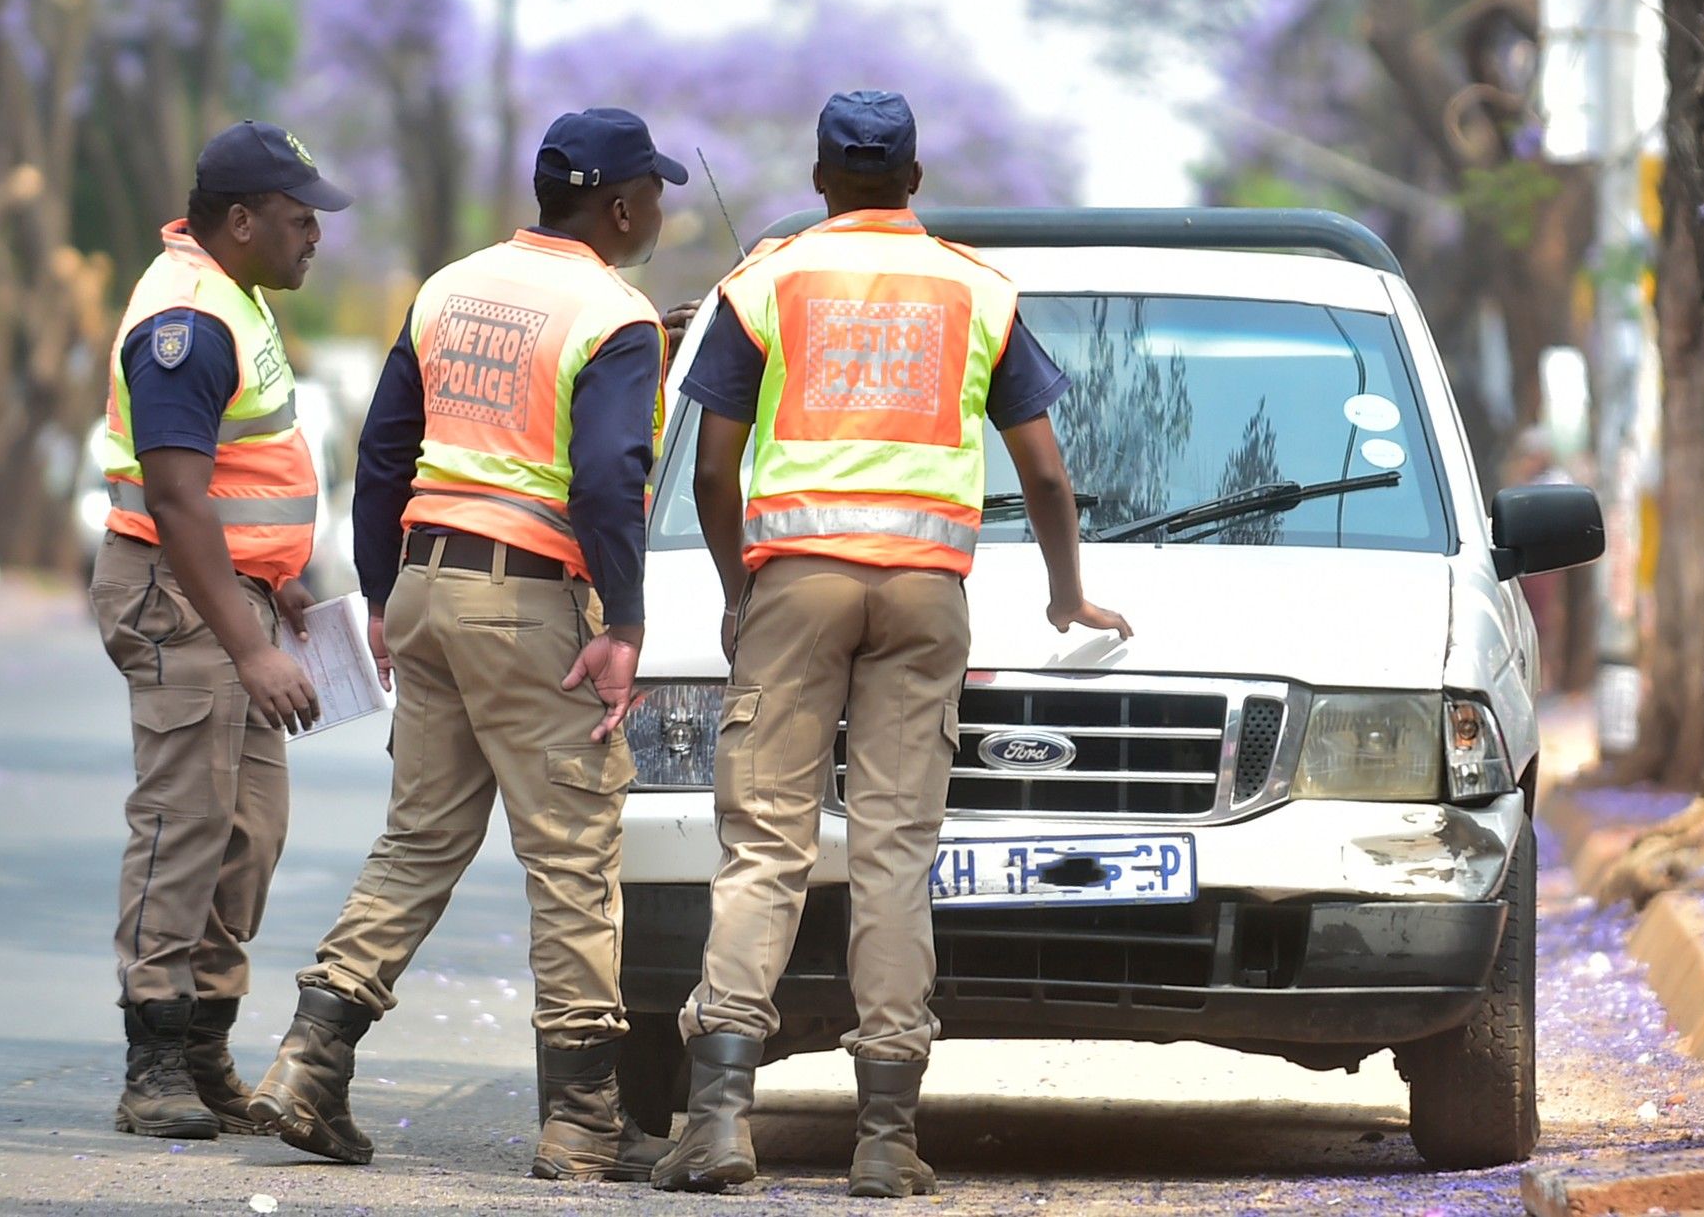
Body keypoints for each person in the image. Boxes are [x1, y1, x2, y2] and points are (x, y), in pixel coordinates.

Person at [652, 90, 1132, 1199]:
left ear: (819, 180)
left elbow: (715, 470)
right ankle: (884, 1138)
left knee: (765, 848)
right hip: (925, 597)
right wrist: (1067, 593)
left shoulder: (764, 282)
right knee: (891, 858)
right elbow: (1047, 473)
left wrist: (741, 592)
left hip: (796, 586)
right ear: (914, 180)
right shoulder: (977, 288)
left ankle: (719, 1121)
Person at [249, 107, 683, 1183]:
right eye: (653, 195)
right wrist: (624, 623)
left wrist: (390, 598)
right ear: (620, 205)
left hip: (433, 587)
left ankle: (308, 1060)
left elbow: (386, 446)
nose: (661, 211)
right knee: (574, 857)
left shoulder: (452, 285)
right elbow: (601, 476)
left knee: (418, 841)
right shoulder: (613, 312)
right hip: (530, 600)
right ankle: (582, 1123)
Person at [89, 120, 351, 1141]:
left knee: (248, 833)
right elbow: (175, 495)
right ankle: (151, 1057)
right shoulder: (186, 317)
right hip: (182, 596)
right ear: (238, 220)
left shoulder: (234, 297)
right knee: (183, 822)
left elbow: (243, 480)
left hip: (237, 593)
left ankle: (202, 1046)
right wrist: (246, 644)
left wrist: (284, 589)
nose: (313, 236)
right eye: (298, 218)